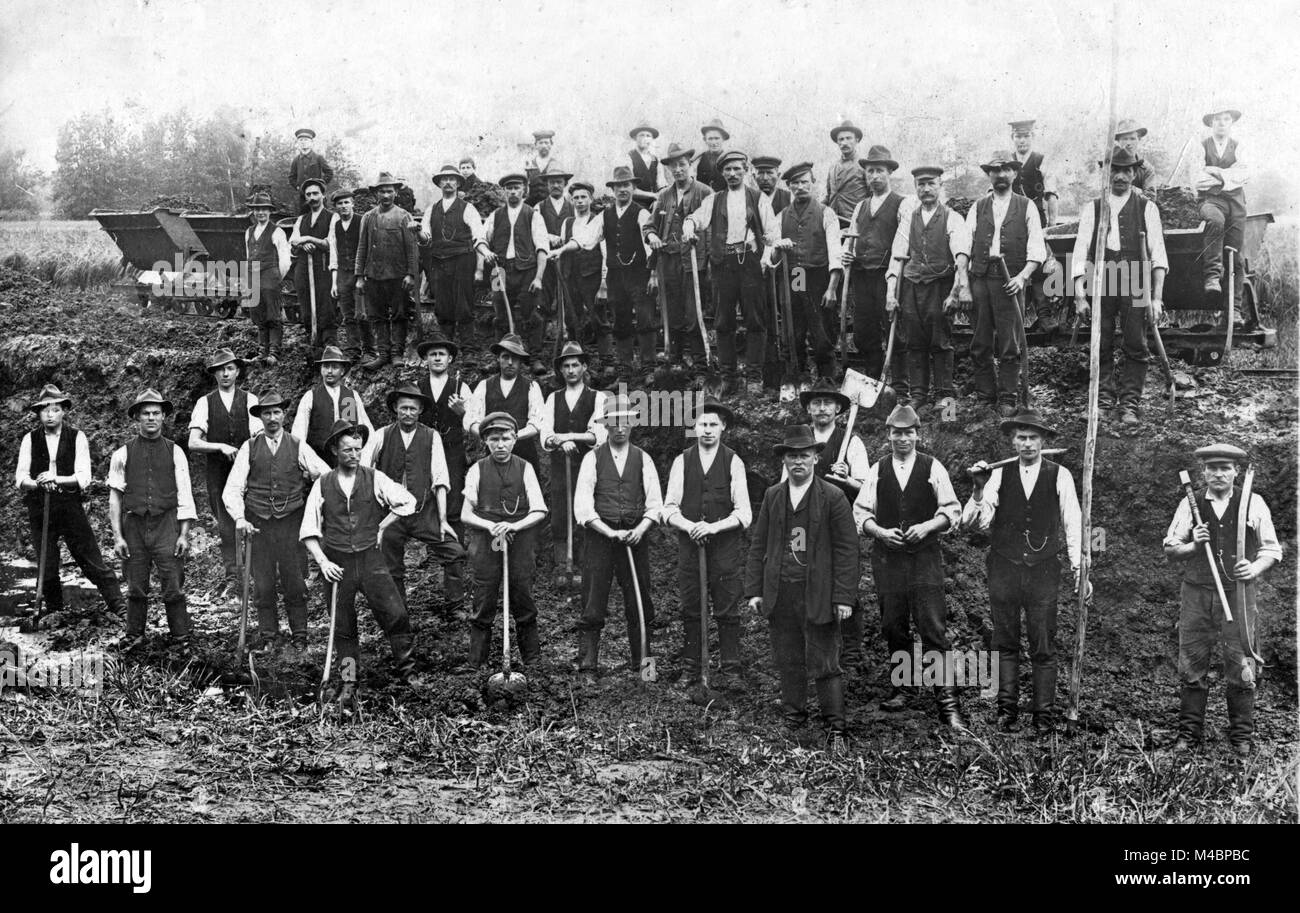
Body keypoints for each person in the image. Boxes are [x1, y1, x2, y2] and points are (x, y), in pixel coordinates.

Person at [961, 409, 1084, 734]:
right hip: (1004, 568)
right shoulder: (998, 475)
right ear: (1012, 441)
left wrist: (1080, 568)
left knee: (1043, 644)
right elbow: (974, 522)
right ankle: (1007, 710)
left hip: (1043, 571)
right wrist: (977, 489)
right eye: (1021, 437)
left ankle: (1043, 716)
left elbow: (1073, 522)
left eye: (1033, 437)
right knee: (1005, 642)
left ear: (1043, 441)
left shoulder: (1060, 475)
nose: (1027, 443)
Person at [745, 425, 859, 748]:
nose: (798, 462)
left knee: (825, 660)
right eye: (792, 456)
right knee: (788, 657)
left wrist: (843, 597)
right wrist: (755, 589)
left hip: (819, 593)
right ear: (784, 460)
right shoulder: (773, 496)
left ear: (815, 458)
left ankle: (835, 728)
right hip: (781, 591)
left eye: (804, 456)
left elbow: (848, 550)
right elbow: (758, 544)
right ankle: (794, 717)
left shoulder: (833, 496)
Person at [1162, 444, 1281, 755]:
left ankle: (1241, 738)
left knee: (1241, 666)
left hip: (1239, 595)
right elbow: (1172, 549)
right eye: (1212, 468)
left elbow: (1272, 550)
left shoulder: (1252, 503)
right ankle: (1189, 736)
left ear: (1235, 471)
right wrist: (1193, 546)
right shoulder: (1191, 504)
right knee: (1191, 665)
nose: (1218, 473)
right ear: (1203, 472)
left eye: (1225, 467)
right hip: (1197, 594)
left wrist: (1251, 568)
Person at [853, 405, 962, 725]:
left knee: (932, 626)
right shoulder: (878, 469)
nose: (902, 438)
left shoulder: (932, 467)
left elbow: (952, 511)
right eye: (896, 433)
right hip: (888, 559)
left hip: (924, 559)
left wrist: (927, 527)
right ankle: (905, 688)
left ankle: (947, 701)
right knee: (893, 625)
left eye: (908, 433)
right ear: (888, 435)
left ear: (918, 434)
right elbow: (861, 513)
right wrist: (880, 532)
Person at [301, 420, 422, 704]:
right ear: (334, 450)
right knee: (343, 626)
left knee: (396, 614)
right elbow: (308, 531)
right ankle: (349, 681)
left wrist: (382, 526)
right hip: (337, 564)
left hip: (370, 560)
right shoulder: (323, 484)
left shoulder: (374, 477)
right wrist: (323, 563)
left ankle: (408, 672)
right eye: (347, 450)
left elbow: (408, 502)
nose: (354, 455)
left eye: (357, 449)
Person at [223, 392, 330, 655]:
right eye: (267, 413)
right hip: (258, 524)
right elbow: (232, 489)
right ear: (260, 417)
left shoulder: (297, 445)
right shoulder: (249, 447)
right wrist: (239, 518)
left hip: (291, 523)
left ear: (284, 415)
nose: (272, 418)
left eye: (277, 412)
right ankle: (268, 636)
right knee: (263, 582)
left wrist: (312, 505)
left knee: (294, 581)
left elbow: (326, 476)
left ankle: (300, 637)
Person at [1071, 147, 1169, 426]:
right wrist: (1080, 295)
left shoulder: (1147, 208)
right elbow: (1080, 254)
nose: (1121, 176)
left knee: (1136, 343)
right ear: (1106, 173)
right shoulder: (1093, 208)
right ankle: (1101, 400)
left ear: (1135, 174)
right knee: (1100, 342)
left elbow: (1158, 256)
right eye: (1115, 170)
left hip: (1135, 278)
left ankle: (1129, 403)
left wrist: (1157, 298)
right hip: (1102, 278)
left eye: (1127, 171)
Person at [662, 397, 751, 688]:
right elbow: (669, 508)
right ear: (694, 426)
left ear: (723, 426)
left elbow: (744, 513)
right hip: (690, 548)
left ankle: (731, 669)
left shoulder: (733, 461)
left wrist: (712, 527)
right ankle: (691, 667)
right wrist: (690, 527)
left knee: (727, 608)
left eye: (714, 424)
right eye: (702, 424)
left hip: (725, 549)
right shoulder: (682, 460)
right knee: (691, 607)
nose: (708, 430)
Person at [14, 384, 125, 618]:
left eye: (55, 409)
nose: (50, 414)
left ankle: (120, 606)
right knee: (47, 563)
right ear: (38, 413)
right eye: (45, 410)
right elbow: (21, 478)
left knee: (90, 557)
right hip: (40, 507)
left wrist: (57, 479)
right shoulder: (29, 439)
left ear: (64, 411)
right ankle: (55, 613)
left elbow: (83, 478)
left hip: (69, 505)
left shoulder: (77, 437)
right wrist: (38, 483)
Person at [573, 396, 664, 680]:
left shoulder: (643, 458)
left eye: (625, 422)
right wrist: (609, 531)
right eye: (614, 423)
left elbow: (656, 503)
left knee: (640, 601)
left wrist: (639, 529)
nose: (620, 428)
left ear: (632, 425)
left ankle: (645, 668)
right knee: (592, 600)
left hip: (635, 538)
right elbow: (583, 507)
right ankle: (588, 667)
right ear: (606, 426)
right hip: (601, 538)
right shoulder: (592, 458)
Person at [785, 377, 871, 669]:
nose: (821, 408)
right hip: (805, 522)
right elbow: (785, 485)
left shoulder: (852, 441)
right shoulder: (798, 438)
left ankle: (851, 650)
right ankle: (814, 642)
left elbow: (866, 488)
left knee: (844, 582)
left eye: (827, 403)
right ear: (809, 408)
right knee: (805, 579)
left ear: (838, 409)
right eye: (816, 403)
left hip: (840, 522)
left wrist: (846, 477)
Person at [360, 384, 465, 614]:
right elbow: (363, 472)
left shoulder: (432, 436)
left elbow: (440, 480)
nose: (408, 413)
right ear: (395, 409)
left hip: (422, 512)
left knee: (454, 550)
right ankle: (399, 612)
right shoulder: (381, 435)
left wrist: (443, 519)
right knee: (391, 565)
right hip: (390, 514)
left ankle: (455, 605)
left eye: (413, 409)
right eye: (403, 408)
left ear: (420, 411)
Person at [681, 150, 778, 393]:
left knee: (755, 319)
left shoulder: (758, 199)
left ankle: (754, 377)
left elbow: (772, 234)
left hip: (751, 265)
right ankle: (728, 376)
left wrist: (766, 258)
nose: (732, 174)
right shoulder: (714, 199)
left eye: (737, 169)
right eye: (727, 169)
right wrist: (690, 228)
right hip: (723, 263)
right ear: (722, 172)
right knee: (723, 321)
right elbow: (694, 219)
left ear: (745, 170)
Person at [107, 389, 196, 654]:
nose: (151, 418)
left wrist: (184, 534)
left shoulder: (175, 452)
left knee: (173, 583)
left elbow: (185, 494)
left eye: (156, 413)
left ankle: (181, 637)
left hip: (166, 523)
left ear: (164, 417)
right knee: (135, 584)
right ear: (136, 417)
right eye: (145, 413)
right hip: (133, 525)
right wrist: (117, 536)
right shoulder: (122, 454)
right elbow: (114, 498)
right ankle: (134, 635)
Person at [460, 412, 549, 669]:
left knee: (522, 595)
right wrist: (491, 527)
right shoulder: (477, 469)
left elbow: (540, 510)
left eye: (506, 438)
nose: (500, 445)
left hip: (520, 539)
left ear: (515, 439)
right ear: (486, 441)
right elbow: (466, 513)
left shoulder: (525, 467)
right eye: (494, 439)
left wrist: (513, 526)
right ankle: (476, 663)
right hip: (485, 540)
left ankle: (533, 661)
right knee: (484, 597)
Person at [964, 152, 1047, 417]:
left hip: (1011, 282)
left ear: (1014, 173)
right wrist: (963, 281)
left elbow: (1037, 249)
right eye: (994, 171)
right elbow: (965, 246)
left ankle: (1008, 397)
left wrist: (1022, 277)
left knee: (1010, 342)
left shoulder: (1026, 206)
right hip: (980, 280)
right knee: (980, 340)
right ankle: (985, 395)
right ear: (989, 174)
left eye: (1005, 170)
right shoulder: (978, 207)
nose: (1000, 175)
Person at [555, 166, 657, 381]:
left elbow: (650, 244)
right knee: (620, 320)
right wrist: (562, 249)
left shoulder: (641, 212)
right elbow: (586, 239)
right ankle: (624, 367)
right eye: (618, 186)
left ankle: (649, 367)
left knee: (645, 318)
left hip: (639, 274)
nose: (622, 190)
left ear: (633, 187)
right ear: (612, 189)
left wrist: (653, 273)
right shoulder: (605, 215)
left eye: (626, 185)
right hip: (615, 276)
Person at [886, 165, 970, 413]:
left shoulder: (952, 218)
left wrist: (955, 291)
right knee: (914, 342)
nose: (926, 189)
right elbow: (897, 257)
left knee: (942, 343)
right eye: (921, 185)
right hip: (911, 287)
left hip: (940, 287)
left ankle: (946, 404)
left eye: (931, 183)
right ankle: (918, 396)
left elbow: (961, 256)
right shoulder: (908, 219)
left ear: (940, 186)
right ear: (916, 188)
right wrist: (891, 294)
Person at [538, 342, 607, 609]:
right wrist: (559, 441)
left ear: (584, 366)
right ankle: (561, 565)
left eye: (575, 364)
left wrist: (570, 437)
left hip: (587, 464)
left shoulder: (597, 397)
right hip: (559, 463)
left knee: (585, 509)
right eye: (565, 366)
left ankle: (581, 564)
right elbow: (545, 432)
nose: (570, 370)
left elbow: (598, 434)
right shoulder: (553, 398)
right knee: (560, 510)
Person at [187, 350, 261, 598]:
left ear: (238, 371)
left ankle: (256, 573)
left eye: (230, 368)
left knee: (252, 518)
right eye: (220, 370)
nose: (225, 373)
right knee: (226, 526)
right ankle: (233, 577)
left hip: (248, 471)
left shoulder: (250, 400)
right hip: (218, 472)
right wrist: (218, 446)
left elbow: (260, 436)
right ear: (215, 374)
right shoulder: (204, 403)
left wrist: (247, 453)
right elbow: (194, 442)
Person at [762, 161, 841, 379]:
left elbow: (835, 253)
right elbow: (772, 258)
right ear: (789, 187)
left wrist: (832, 288)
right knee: (794, 325)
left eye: (804, 182)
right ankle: (799, 375)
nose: (800, 187)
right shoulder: (782, 216)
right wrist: (778, 248)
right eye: (795, 183)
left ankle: (827, 378)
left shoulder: (827, 214)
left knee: (822, 329)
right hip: (796, 275)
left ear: (813, 183)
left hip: (819, 277)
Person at [844, 145, 908, 391]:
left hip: (887, 276)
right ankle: (873, 380)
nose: (874, 176)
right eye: (870, 171)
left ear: (889, 173)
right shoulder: (861, 206)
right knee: (863, 332)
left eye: (880, 170)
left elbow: (903, 242)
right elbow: (851, 238)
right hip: (862, 276)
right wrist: (848, 255)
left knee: (894, 328)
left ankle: (901, 385)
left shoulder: (901, 204)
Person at [416, 332, 472, 607]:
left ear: (450, 359)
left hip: (452, 453)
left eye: (442, 354)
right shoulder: (417, 387)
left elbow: (475, 424)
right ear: (425, 360)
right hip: (424, 454)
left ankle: (455, 588)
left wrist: (462, 412)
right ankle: (431, 550)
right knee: (424, 504)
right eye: (432, 354)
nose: (437, 358)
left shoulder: (461, 386)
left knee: (453, 509)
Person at [645, 143, 713, 366]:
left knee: (693, 313)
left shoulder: (704, 192)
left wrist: (709, 259)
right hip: (668, 260)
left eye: (682, 165)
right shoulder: (664, 196)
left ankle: (701, 362)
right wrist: (652, 236)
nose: (678, 170)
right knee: (671, 312)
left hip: (694, 261)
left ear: (690, 165)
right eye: (673, 167)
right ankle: (674, 359)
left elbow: (712, 228)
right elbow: (649, 226)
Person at [482, 173, 551, 367]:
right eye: (509, 188)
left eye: (517, 188)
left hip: (527, 271)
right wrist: (486, 251)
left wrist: (538, 277)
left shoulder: (533, 215)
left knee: (532, 315)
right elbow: (480, 240)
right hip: (500, 271)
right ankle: (501, 358)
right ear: (504, 191)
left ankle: (535, 357)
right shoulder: (495, 215)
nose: (513, 191)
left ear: (524, 190)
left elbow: (542, 248)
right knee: (500, 314)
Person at [419, 164, 491, 346]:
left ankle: (467, 349)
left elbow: (478, 237)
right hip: (439, 262)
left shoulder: (468, 209)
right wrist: (417, 231)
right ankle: (446, 346)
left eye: (452, 179)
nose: (448, 182)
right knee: (442, 305)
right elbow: (426, 238)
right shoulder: (431, 209)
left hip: (463, 261)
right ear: (439, 184)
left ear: (458, 183)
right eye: (444, 179)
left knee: (464, 305)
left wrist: (484, 253)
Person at [355, 172, 420, 370]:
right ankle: (383, 353)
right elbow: (362, 247)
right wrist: (359, 276)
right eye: (382, 191)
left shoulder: (403, 216)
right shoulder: (368, 217)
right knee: (377, 315)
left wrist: (410, 274)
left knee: (400, 314)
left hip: (398, 276)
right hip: (374, 275)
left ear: (396, 192)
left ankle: (397, 354)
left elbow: (412, 249)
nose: (385, 195)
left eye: (389, 191)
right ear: (376, 194)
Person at [1192, 104, 1250, 297]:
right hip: (1211, 200)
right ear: (1211, 123)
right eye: (1217, 119)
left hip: (1236, 203)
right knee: (1215, 220)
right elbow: (1198, 179)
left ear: (1231, 122)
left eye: (1226, 119)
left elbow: (1244, 174)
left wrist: (1215, 171)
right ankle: (1212, 277)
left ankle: (1234, 310)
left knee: (1236, 255)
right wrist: (1229, 176)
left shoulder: (1239, 145)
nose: (1222, 123)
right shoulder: (1201, 145)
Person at [464, 334, 546, 470]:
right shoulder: (484, 385)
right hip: (493, 453)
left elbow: (537, 423)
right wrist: (491, 437)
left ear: (520, 361)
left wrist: (513, 437)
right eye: (505, 357)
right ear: (498, 358)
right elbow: (471, 420)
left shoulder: (531, 387)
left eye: (514, 358)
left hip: (524, 454)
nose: (509, 362)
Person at [1008, 119, 1059, 323]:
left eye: (1026, 136)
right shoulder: (1007, 160)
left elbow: (1052, 195)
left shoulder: (1041, 160)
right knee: (1012, 262)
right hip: (1012, 220)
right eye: (1018, 136)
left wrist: (1051, 228)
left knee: (1038, 265)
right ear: (1012, 138)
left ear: (1032, 137)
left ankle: (1044, 315)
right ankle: (1013, 316)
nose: (1022, 140)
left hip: (1037, 219)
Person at [292, 346, 373, 468]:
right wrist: (312, 465)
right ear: (321, 369)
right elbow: (298, 437)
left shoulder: (351, 397)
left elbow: (368, 433)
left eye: (334, 367)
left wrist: (363, 462)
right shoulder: (311, 397)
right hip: (319, 462)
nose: (329, 371)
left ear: (342, 371)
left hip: (349, 463)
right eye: (326, 367)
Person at [558, 180, 610, 368]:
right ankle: (575, 357)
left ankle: (607, 360)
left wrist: (604, 281)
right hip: (571, 276)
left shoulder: (598, 220)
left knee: (598, 317)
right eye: (576, 198)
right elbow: (564, 244)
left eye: (583, 197)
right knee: (572, 318)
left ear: (591, 199)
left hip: (592, 276)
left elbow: (605, 252)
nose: (579, 201)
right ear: (571, 201)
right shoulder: (567, 222)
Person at [289, 177, 337, 360]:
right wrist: (301, 245)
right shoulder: (301, 219)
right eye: (308, 194)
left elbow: (329, 243)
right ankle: (312, 338)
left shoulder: (333, 217)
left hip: (324, 265)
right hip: (303, 266)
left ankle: (329, 343)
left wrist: (308, 239)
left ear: (323, 195)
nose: (312, 197)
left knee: (326, 303)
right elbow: (293, 242)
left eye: (315, 193)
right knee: (305, 302)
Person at [243, 192, 290, 366]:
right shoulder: (249, 232)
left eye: (264, 209)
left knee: (273, 315)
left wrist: (276, 277)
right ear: (253, 212)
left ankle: (274, 353)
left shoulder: (277, 232)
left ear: (270, 212)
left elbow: (285, 260)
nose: (260, 213)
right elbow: (249, 255)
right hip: (253, 276)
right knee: (258, 314)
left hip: (270, 276)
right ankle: (262, 352)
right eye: (257, 210)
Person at [327, 188, 373, 364]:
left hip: (361, 274)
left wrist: (365, 275)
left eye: (347, 202)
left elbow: (368, 249)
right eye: (340, 203)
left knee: (363, 313)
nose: (344, 206)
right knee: (348, 314)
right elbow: (334, 253)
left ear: (352, 203)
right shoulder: (336, 225)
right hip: (343, 274)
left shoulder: (362, 221)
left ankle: (369, 350)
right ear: (336, 207)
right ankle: (353, 350)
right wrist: (334, 282)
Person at [534, 164, 575, 340]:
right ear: (547, 185)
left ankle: (570, 339)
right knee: (543, 299)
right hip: (547, 261)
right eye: (552, 183)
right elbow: (534, 230)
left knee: (569, 298)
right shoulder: (539, 207)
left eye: (559, 182)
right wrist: (549, 237)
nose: (556, 185)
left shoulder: (573, 206)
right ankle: (539, 342)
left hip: (568, 260)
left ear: (565, 184)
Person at [824, 120, 868, 226]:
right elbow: (829, 195)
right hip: (833, 223)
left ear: (856, 140)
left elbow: (872, 196)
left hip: (856, 222)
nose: (844, 143)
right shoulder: (833, 167)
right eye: (841, 139)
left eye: (848, 138)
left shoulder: (864, 166)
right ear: (837, 142)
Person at [287, 127, 334, 212]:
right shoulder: (296, 160)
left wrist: (320, 185)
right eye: (301, 140)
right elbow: (291, 177)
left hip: (318, 195)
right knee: (304, 218)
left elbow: (329, 173)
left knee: (321, 216)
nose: (303, 142)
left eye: (306, 140)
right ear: (298, 143)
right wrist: (298, 187)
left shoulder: (318, 158)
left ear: (311, 143)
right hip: (303, 197)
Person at [1114, 119, 1157, 192]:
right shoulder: (1108, 166)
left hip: (1138, 203)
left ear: (1139, 139)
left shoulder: (1146, 169)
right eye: (1125, 139)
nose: (1128, 143)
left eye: (1132, 139)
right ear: (1118, 141)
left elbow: (1151, 196)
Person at [628, 121, 661, 200]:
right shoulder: (629, 157)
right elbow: (629, 189)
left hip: (655, 202)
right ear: (635, 138)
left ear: (652, 139)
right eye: (641, 135)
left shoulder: (655, 159)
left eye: (648, 136)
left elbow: (661, 184)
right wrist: (653, 195)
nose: (645, 139)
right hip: (636, 202)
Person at [696, 118, 731, 192]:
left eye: (717, 138)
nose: (714, 142)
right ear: (705, 140)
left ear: (723, 139)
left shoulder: (728, 159)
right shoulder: (698, 160)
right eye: (710, 139)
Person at [525, 128, 558, 206]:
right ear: (536, 145)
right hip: (531, 204)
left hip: (550, 204)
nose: (544, 146)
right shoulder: (529, 164)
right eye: (541, 143)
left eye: (546, 143)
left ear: (551, 145)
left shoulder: (555, 164)